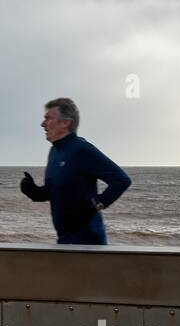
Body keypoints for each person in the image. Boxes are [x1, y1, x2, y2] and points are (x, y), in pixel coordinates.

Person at [19, 97, 131, 244]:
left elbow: (121, 180)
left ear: (66, 123)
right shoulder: (54, 152)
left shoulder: (81, 149)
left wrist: (97, 203)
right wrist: (33, 191)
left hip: (88, 242)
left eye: (48, 118)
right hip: (65, 239)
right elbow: (56, 191)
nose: (43, 124)